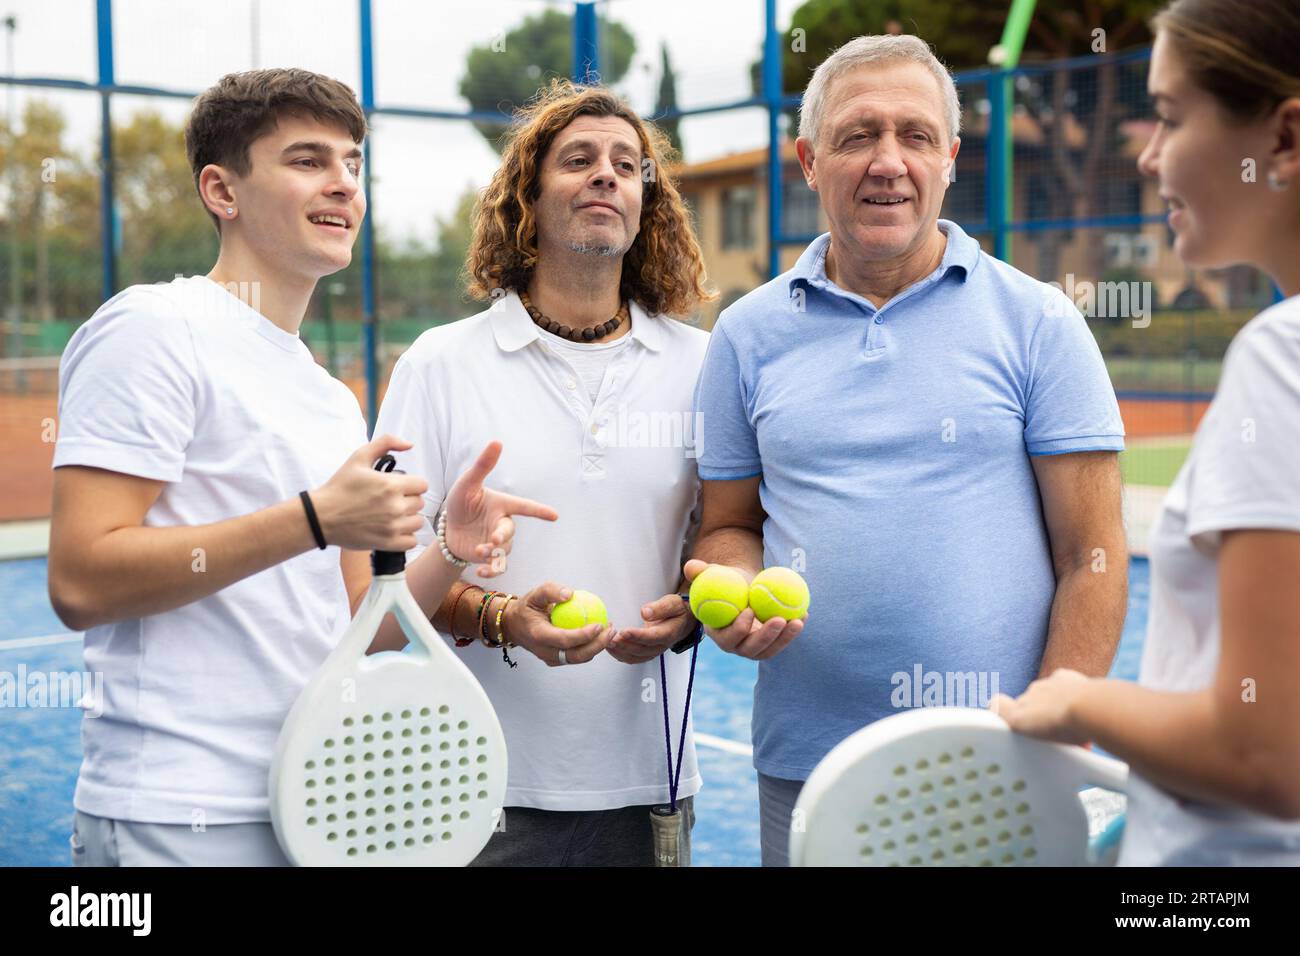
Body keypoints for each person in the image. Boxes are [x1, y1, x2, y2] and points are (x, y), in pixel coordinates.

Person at [49, 68, 555, 866]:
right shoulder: (153, 329)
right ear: (223, 190)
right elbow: (80, 581)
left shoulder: (327, 397)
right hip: (177, 815)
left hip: (320, 804)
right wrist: (316, 519)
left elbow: (367, 628)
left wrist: (449, 551)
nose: (343, 185)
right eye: (308, 160)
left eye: (353, 162)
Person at [688, 34, 1129, 866]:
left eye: (915, 136)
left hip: (998, 768)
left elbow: (1094, 552)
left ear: (950, 159)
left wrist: (1049, 740)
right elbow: (728, 525)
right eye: (858, 136)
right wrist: (737, 587)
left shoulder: (1039, 323)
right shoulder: (745, 334)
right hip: (807, 768)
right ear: (809, 161)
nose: (888, 161)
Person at [370, 80, 716, 866]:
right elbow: (382, 593)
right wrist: (502, 618)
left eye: (628, 166)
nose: (607, 176)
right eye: (580, 160)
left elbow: (727, 535)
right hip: (472, 786)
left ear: (645, 204)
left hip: (649, 785)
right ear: (527, 196)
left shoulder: (702, 366)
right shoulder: (440, 363)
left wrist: (691, 608)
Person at [993, 0, 1300, 864]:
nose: (1146, 153)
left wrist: (1076, 705)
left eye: (1168, 117)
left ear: (1283, 139)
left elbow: (1265, 753)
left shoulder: (1282, 357)